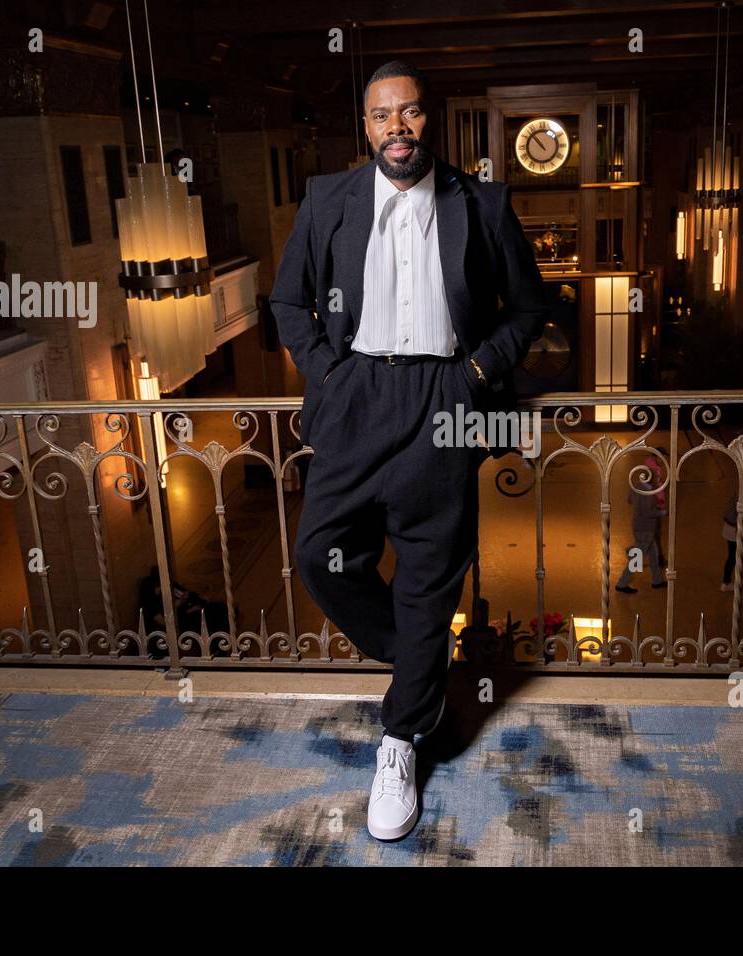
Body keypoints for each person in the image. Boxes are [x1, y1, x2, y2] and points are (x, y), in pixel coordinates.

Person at [270, 61, 547, 841]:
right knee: (319, 551)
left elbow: (531, 305)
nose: (398, 127)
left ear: (431, 122)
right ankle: (416, 658)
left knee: (430, 575)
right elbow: (289, 301)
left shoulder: (483, 202)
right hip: (356, 395)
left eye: (412, 113)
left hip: (446, 400)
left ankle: (400, 742)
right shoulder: (329, 198)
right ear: (366, 127)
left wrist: (479, 373)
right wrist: (328, 373)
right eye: (382, 115)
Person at [616, 455, 668, 593]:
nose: (658, 481)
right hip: (646, 529)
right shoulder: (649, 492)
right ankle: (622, 583)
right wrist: (661, 512)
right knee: (637, 559)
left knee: (653, 555)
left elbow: (629, 500)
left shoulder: (636, 486)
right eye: (656, 478)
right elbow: (647, 513)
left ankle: (657, 581)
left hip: (638, 525)